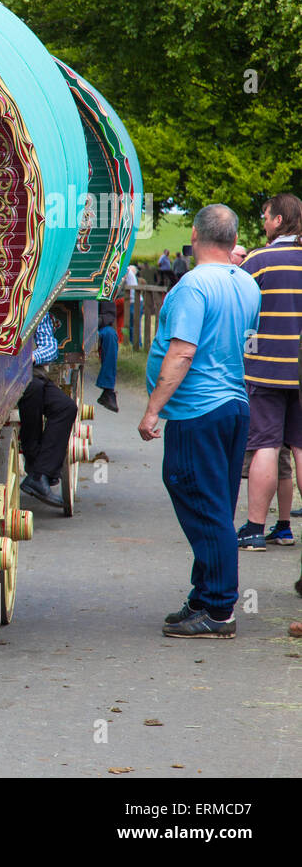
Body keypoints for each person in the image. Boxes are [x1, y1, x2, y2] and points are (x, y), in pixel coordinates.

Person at [138, 204, 260, 640]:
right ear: (231, 239)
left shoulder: (191, 286)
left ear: (194, 234)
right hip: (233, 404)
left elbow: (183, 351)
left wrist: (153, 409)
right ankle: (205, 594)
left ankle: (220, 609)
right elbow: (248, 343)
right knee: (217, 503)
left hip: (199, 409)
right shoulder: (246, 284)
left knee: (199, 500)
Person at [236, 192, 302, 549]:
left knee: (265, 446)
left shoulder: (259, 260)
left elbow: (242, 315)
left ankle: (254, 530)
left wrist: (249, 351)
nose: (263, 222)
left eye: (265, 216)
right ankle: (286, 528)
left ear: (278, 221)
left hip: (265, 372)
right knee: (300, 449)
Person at [17, 315, 75, 508]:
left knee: (66, 407)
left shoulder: (37, 304)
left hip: (33, 371)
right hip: (5, 375)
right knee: (33, 389)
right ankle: (35, 464)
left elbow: (50, 347)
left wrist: (32, 356)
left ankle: (39, 474)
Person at [96, 297, 119, 412]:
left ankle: (108, 388)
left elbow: (109, 315)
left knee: (110, 335)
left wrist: (94, 321)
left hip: (95, 326)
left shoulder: (103, 283)